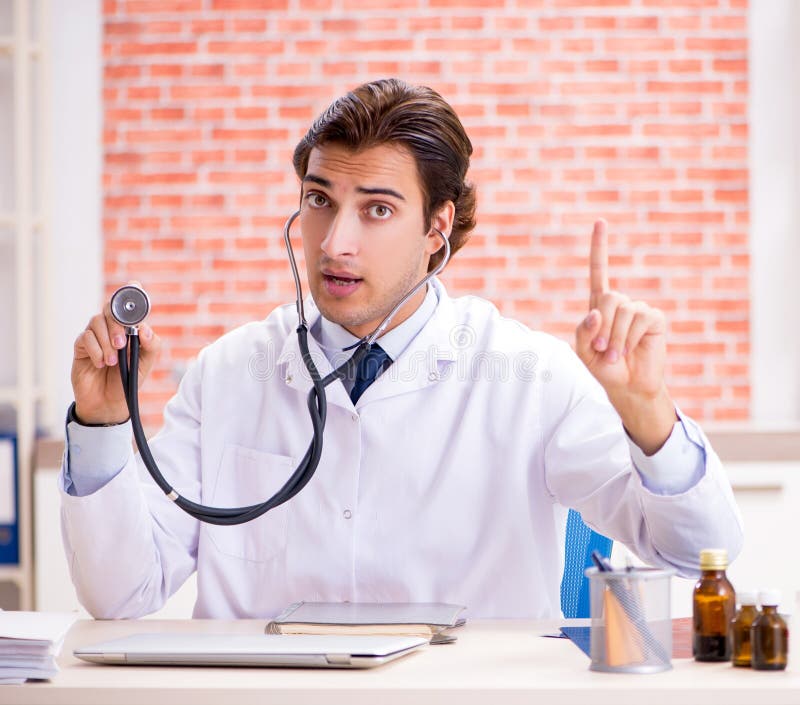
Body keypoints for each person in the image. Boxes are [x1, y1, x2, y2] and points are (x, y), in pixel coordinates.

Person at [61, 78, 742, 619]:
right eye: (319, 200)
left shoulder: (529, 376)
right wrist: (100, 424)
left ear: (436, 228)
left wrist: (647, 411)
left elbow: (701, 551)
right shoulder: (228, 373)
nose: (335, 243)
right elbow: (121, 595)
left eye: (377, 209)